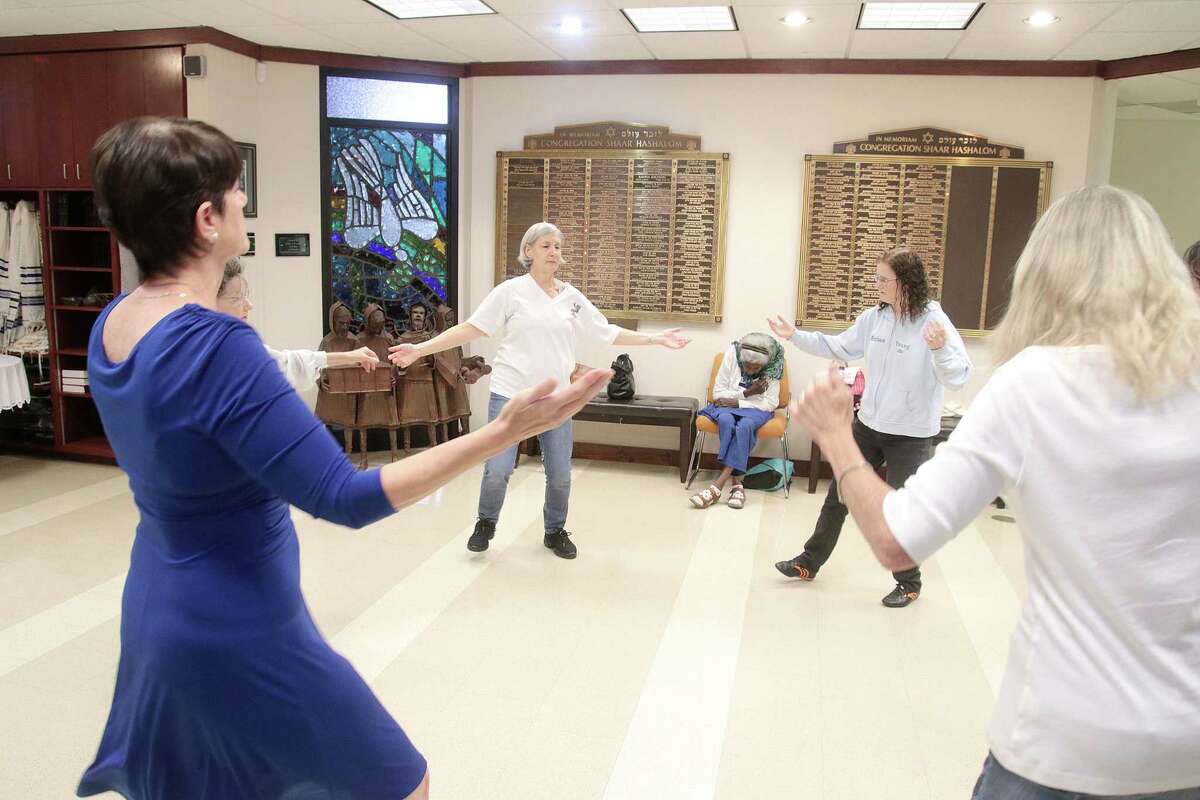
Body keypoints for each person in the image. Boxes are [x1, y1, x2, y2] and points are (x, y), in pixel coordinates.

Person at [76, 116, 612, 800]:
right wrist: (505, 430)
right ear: (208, 220)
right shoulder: (217, 342)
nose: (246, 202)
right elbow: (345, 497)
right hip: (236, 619)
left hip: (158, 599)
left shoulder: (113, 324)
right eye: (238, 193)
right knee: (400, 781)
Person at [792, 186, 1200, 799]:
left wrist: (832, 434)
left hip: (1062, 747)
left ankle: (906, 588)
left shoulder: (1034, 383)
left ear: (1045, 274)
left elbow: (897, 536)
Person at [389, 221, 692, 559]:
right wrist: (420, 349)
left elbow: (606, 331)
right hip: (511, 394)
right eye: (546, 245)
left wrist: (656, 339)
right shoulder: (510, 291)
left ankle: (555, 530)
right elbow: (472, 328)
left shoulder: (571, 299)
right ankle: (486, 522)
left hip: (556, 400)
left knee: (560, 474)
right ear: (528, 251)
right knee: (499, 468)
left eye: (558, 247)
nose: (553, 252)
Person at [771, 247, 972, 607]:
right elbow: (839, 346)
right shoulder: (874, 318)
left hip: (911, 434)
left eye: (884, 279)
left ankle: (909, 582)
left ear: (906, 283)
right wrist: (795, 335)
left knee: (902, 513)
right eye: (877, 278)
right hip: (870, 425)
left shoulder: (933, 321)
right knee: (839, 496)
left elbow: (959, 376)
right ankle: (809, 562)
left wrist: (940, 350)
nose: (876, 285)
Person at [216, 257, 379, 389]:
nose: (249, 305)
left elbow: (289, 364)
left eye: (246, 296)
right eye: (236, 299)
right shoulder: (205, 350)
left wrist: (350, 356)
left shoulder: (237, 343)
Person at [688, 332, 783, 510]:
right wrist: (746, 393)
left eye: (755, 367)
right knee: (726, 420)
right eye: (746, 365)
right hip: (728, 407)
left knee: (745, 426)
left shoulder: (774, 365)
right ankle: (738, 486)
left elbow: (771, 403)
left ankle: (718, 486)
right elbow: (718, 394)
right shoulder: (733, 353)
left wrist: (738, 401)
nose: (750, 370)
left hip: (756, 410)